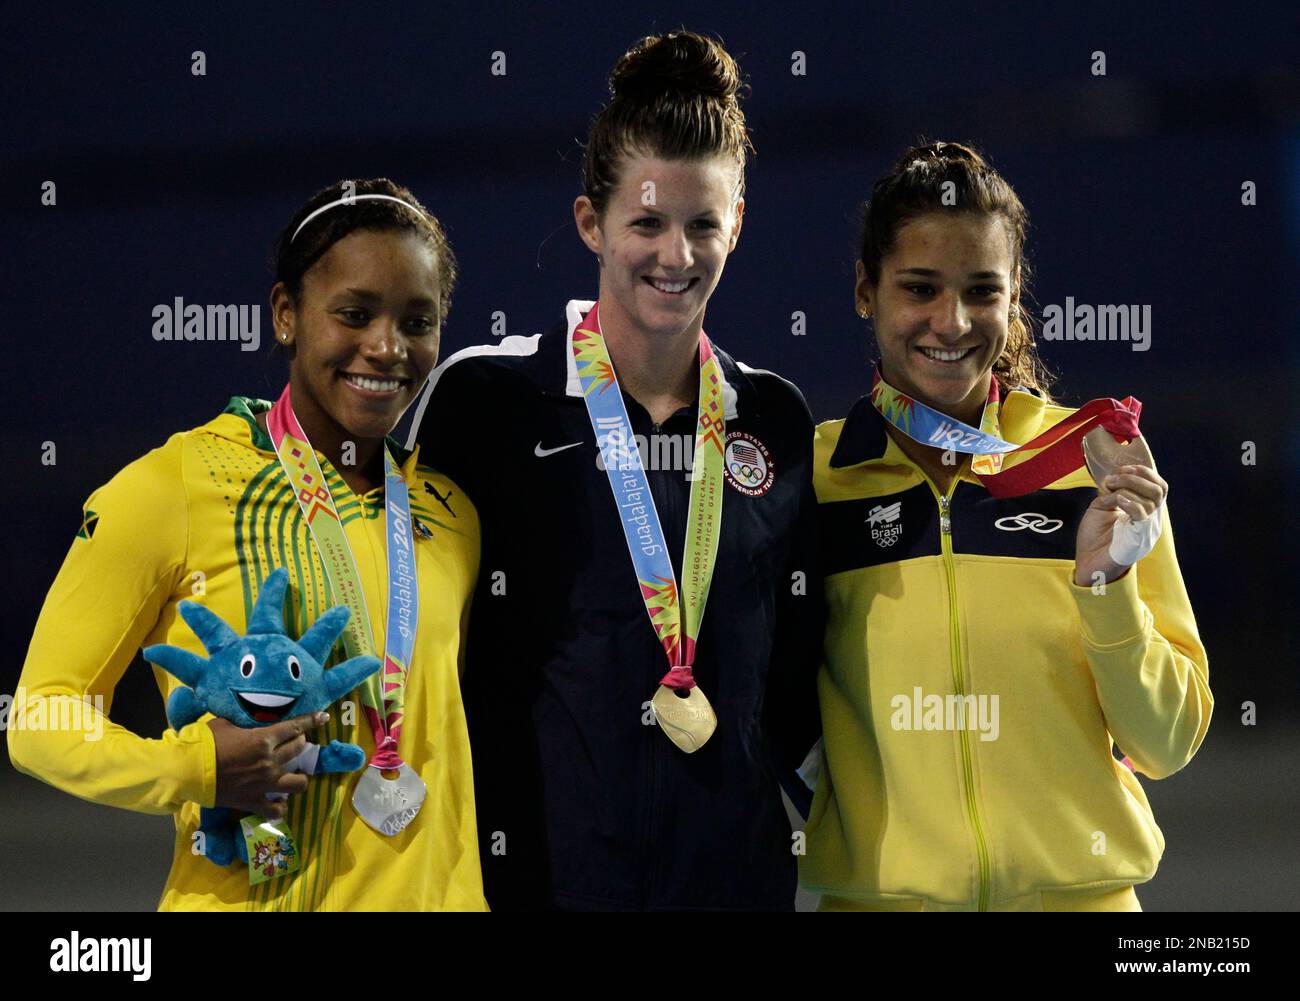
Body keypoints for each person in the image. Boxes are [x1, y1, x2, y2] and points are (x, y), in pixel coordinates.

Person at [406, 30, 823, 910]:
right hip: (535, 890)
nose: (676, 255)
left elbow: (800, 682)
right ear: (591, 223)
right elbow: (403, 635)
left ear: (737, 222)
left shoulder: (776, 421)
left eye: (702, 223)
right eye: (647, 223)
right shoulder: (486, 403)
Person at [9, 179, 486, 911]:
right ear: (287, 315)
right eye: (355, 314)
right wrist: (195, 767)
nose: (387, 347)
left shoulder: (449, 513)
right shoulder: (176, 485)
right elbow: (40, 718)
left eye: (417, 321)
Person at [799, 140, 1213, 911]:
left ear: (1014, 294)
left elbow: (1168, 741)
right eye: (919, 287)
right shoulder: (814, 483)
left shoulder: (1092, 464)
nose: (950, 322)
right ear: (866, 290)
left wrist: (1107, 584)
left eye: (981, 290)